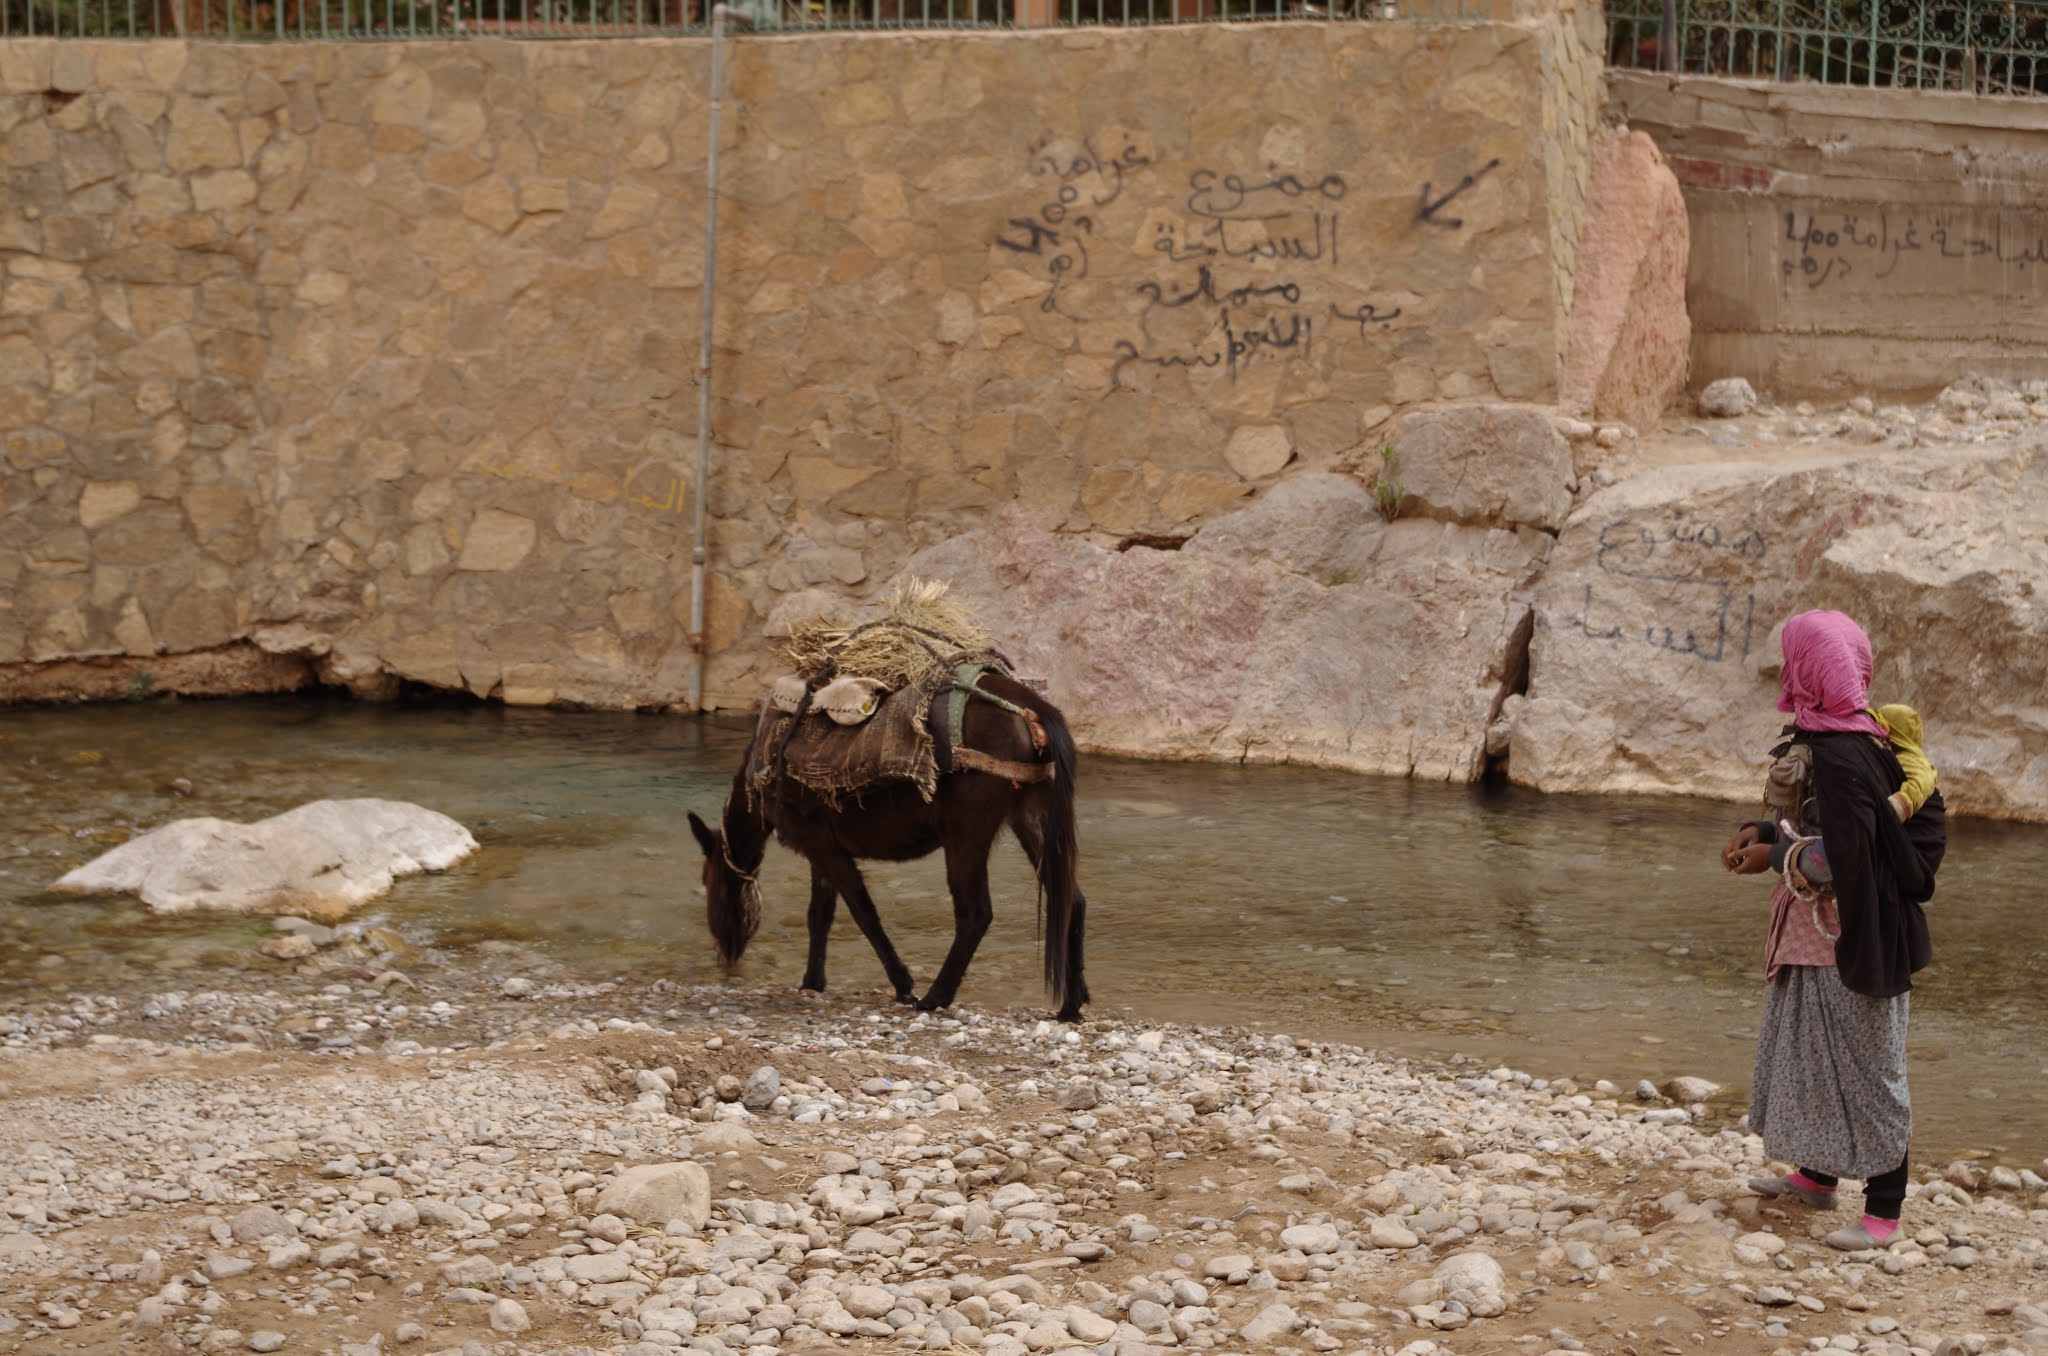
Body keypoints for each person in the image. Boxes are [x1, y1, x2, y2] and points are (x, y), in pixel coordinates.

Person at [1720, 610, 1948, 1251]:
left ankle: (1884, 1211)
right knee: (1812, 1054)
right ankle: (1817, 1178)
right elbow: (1831, 827)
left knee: (1869, 1067)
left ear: (1808, 669)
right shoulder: (1849, 740)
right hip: (1818, 935)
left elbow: (1851, 856)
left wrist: (1779, 857)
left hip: (1855, 934)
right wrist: (1766, 830)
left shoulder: (1845, 752)